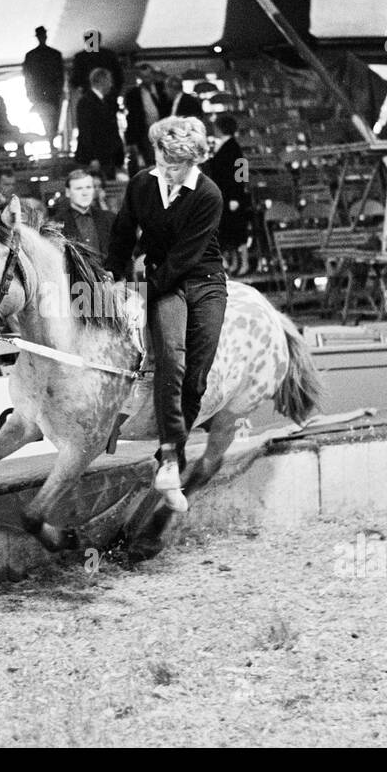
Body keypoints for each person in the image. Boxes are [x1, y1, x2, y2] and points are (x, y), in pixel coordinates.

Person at [105, 116, 226, 493]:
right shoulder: (142, 184)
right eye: (163, 162)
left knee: (196, 375)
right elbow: (124, 232)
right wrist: (113, 277)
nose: (168, 172)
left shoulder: (208, 195)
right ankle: (170, 455)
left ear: (194, 162)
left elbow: (185, 259)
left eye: (177, 166)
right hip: (161, 278)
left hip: (202, 280)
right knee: (171, 358)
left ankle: (173, 449)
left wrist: (142, 295)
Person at [204, 114, 253, 276]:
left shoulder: (233, 148)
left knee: (238, 233)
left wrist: (236, 197)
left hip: (233, 197)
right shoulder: (223, 147)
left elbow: (241, 174)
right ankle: (234, 262)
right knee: (227, 232)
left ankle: (244, 262)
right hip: (224, 196)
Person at [52, 168, 114, 269]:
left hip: (108, 281)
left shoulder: (109, 218)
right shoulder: (55, 224)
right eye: (79, 188)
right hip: (73, 282)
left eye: (88, 187)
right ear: (68, 192)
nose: (85, 193)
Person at [74, 67, 123, 173]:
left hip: (106, 156)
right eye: (109, 81)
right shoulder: (86, 102)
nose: (111, 85)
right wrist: (92, 157)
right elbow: (86, 131)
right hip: (95, 158)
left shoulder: (104, 101)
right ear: (102, 81)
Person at [23, 26, 65, 144]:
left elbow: (60, 76)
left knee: (51, 121)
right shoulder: (34, 56)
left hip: (48, 95)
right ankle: (51, 143)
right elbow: (28, 78)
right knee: (48, 121)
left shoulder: (34, 55)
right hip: (43, 95)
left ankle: (52, 143)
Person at [124, 63, 164, 173]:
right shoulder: (133, 94)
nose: (148, 79)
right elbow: (131, 118)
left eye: (149, 76)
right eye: (144, 77)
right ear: (140, 77)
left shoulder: (162, 89)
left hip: (163, 131)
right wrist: (131, 140)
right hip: (145, 132)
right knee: (151, 161)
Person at [70, 33, 124, 97]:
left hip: (89, 94)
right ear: (99, 40)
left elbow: (75, 79)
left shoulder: (80, 57)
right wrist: (116, 91)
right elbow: (119, 75)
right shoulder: (109, 54)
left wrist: (80, 89)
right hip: (109, 93)